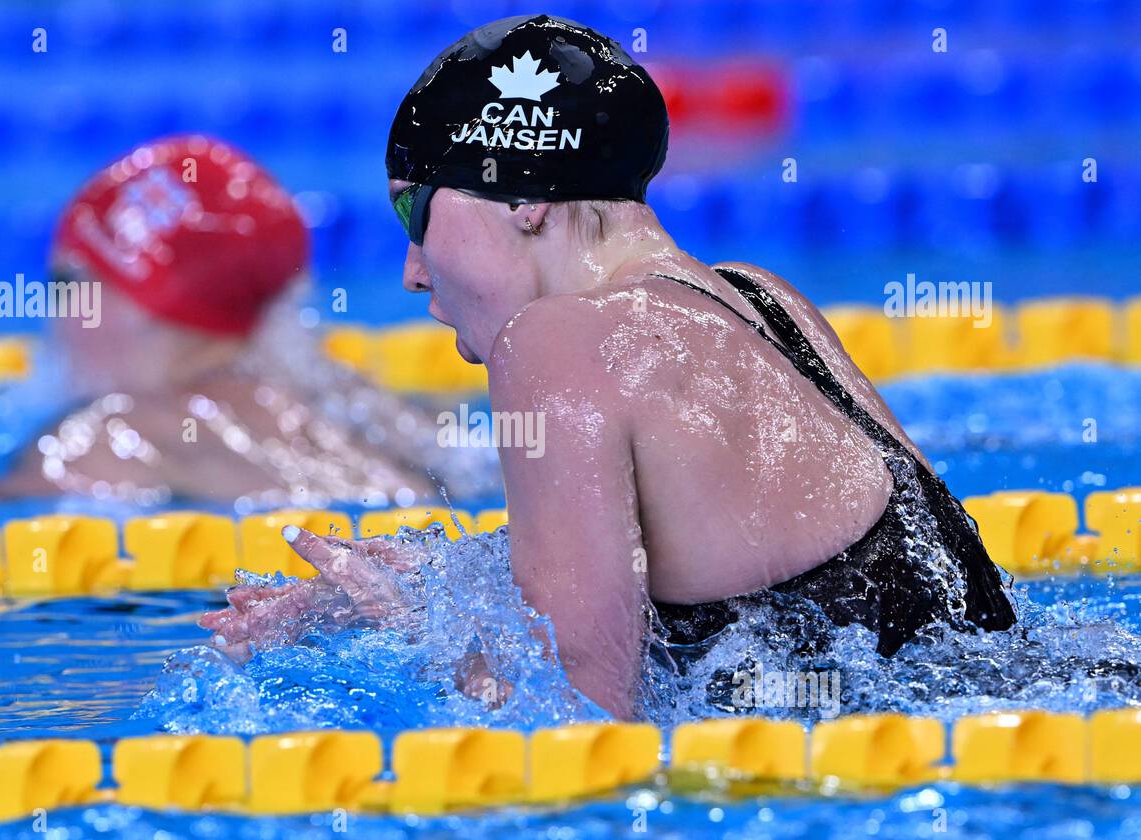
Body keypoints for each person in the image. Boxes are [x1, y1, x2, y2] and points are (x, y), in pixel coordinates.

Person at [202, 15, 1016, 718]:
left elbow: (573, 717)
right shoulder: (763, 298)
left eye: (413, 208)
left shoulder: (555, 344)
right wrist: (442, 587)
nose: (413, 268)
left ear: (524, 197)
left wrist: (410, 630)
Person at [0, 134, 499, 509]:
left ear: (135, 305)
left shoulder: (106, 435)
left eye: (65, 285)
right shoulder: (358, 409)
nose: (56, 317)